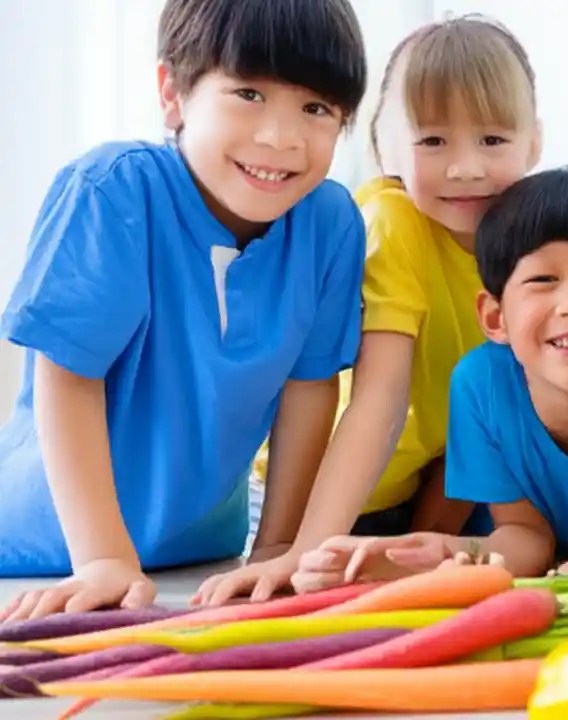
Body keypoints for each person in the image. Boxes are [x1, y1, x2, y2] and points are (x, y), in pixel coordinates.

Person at [0, 0, 367, 621]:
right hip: (42, 547)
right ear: (172, 92)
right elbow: (67, 376)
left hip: (200, 552)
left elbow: (311, 389)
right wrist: (103, 559)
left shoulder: (330, 222)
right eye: (248, 93)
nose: (281, 137)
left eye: (316, 108)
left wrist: (276, 545)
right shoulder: (113, 189)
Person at [193, 16, 544, 605]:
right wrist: (304, 548)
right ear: (385, 148)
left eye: (493, 140)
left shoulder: (529, 243)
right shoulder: (394, 221)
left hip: (402, 500)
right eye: (433, 141)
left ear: (534, 143)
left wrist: (431, 535)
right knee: (283, 606)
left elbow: (483, 420)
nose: (465, 167)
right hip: (302, 500)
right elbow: (380, 399)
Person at [291, 168, 568, 587]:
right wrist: (443, 554)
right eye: (543, 279)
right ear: (495, 317)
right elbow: (525, 537)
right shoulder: (479, 384)